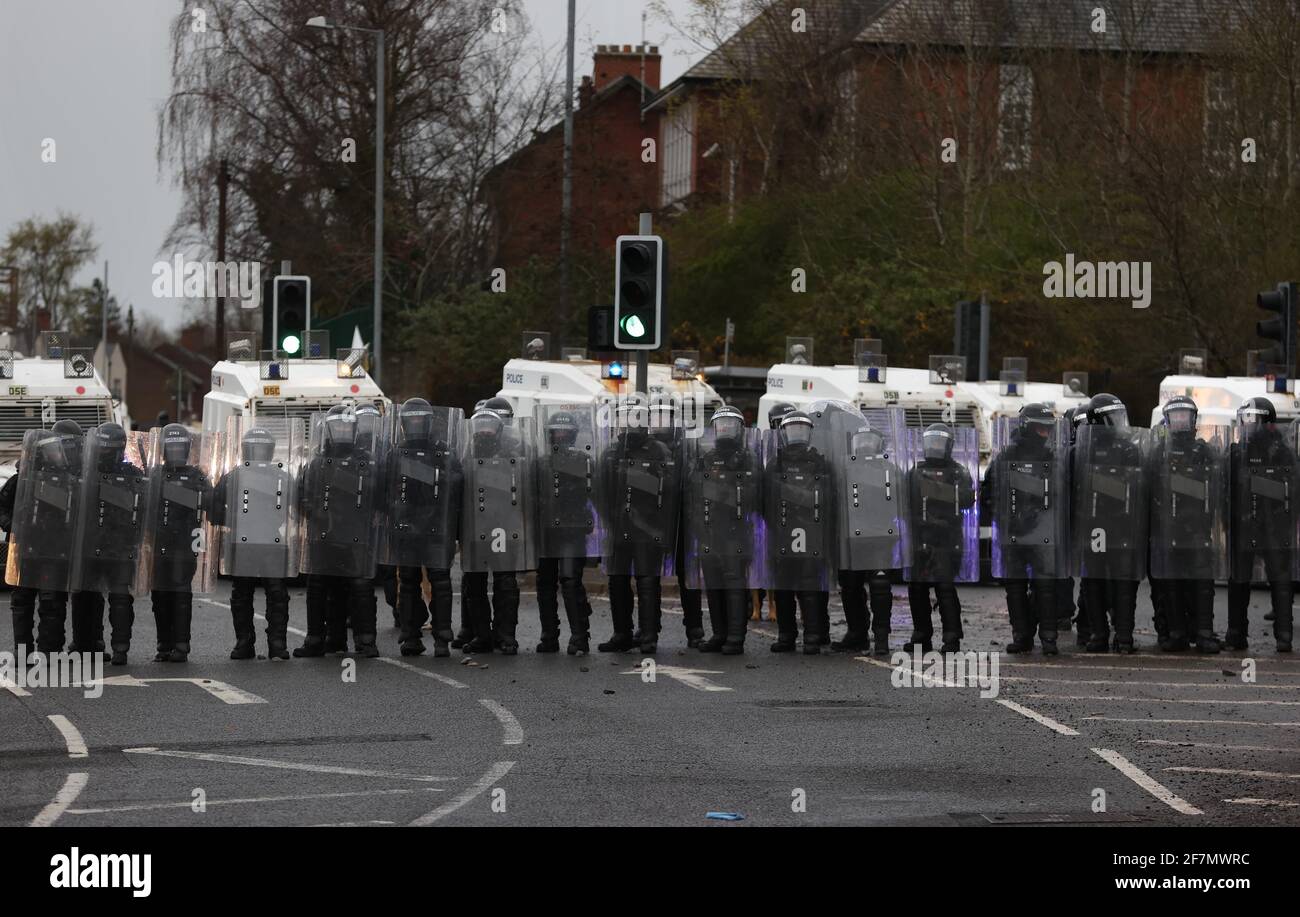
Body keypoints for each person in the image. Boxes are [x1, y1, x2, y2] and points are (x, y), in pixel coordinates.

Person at [295, 405, 382, 658]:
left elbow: (376, 497)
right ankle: (322, 639)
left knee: (359, 586)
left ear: (355, 430)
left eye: (347, 427)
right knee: (320, 585)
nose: (343, 431)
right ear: (329, 431)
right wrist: (314, 512)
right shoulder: (317, 464)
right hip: (324, 534)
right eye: (338, 427)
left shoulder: (366, 463)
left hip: (356, 534)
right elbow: (304, 494)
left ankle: (366, 641)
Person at [598, 396, 681, 655]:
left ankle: (648, 635)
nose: (630, 423)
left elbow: (669, 490)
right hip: (618, 526)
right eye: (625, 417)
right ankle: (621, 633)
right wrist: (610, 520)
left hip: (649, 528)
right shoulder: (612, 451)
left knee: (647, 581)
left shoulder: (658, 451)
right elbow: (600, 492)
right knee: (617, 581)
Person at [379, 399, 463, 658]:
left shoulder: (444, 452)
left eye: (420, 419)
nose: (415, 424)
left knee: (441, 582)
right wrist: (392, 515)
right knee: (408, 583)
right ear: (404, 423)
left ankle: (441, 636)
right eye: (411, 420)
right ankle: (411, 635)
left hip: (438, 527)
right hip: (407, 529)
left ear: (428, 421)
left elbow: (458, 490)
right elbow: (382, 491)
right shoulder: (395, 454)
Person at [984, 404, 1066, 655]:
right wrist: (1007, 518)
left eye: (1048, 428)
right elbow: (990, 494)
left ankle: (1048, 637)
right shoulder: (1006, 457)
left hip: (1043, 531)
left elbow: (1061, 495)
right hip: (1014, 531)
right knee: (1016, 587)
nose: (1045, 433)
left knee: (1045, 587)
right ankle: (1022, 635)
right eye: (1040, 428)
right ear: (1027, 427)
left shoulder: (1052, 459)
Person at [1147, 396, 1224, 654]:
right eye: (1176, 416)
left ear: (1194, 420)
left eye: (1185, 416)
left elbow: (1217, 488)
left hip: (1200, 529)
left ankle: (1203, 633)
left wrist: (1210, 519)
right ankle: (1177, 632)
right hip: (1170, 529)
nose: (1181, 421)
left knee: (1203, 584)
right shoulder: (1160, 452)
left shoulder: (1203, 451)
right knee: (1172, 584)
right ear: (1168, 421)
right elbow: (1150, 490)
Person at [213, 424, 297, 660]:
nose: (259, 453)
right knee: (259, 594)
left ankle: (265, 644)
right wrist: (234, 521)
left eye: (262, 449)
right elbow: (215, 506)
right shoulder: (239, 476)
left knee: (261, 594)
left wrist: (232, 522)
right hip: (256, 541)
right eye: (255, 449)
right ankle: (259, 643)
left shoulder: (239, 476)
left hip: (258, 541)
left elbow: (298, 509)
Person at [829, 408, 907, 656]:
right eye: (859, 441)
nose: (864, 445)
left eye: (869, 441)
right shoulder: (844, 469)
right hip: (852, 534)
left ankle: (881, 636)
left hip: (881, 535)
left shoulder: (890, 469)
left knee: (880, 586)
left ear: (879, 444)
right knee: (850, 585)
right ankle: (857, 633)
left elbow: (902, 503)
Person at [69, 423, 148, 666]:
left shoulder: (88, 472)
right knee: (111, 598)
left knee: (93, 597)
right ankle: (110, 648)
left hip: (101, 544)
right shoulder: (132, 474)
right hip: (113, 545)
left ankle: (92, 646)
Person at [1074, 394, 1148, 653]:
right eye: (1113, 418)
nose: (1119, 423)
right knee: (1093, 581)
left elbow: (1142, 488)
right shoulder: (1081, 452)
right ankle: (1098, 634)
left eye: (1120, 417)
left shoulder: (1130, 450)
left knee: (1124, 582)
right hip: (1093, 527)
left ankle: (1124, 636)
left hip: (1123, 525)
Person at [686, 405, 761, 655]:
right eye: (722, 425)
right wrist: (699, 527)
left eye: (731, 425)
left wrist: (725, 489)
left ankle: (736, 636)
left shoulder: (747, 458)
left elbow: (753, 495)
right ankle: (719, 633)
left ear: (740, 429)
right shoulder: (706, 458)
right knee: (714, 583)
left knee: (734, 583)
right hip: (709, 531)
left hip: (736, 530)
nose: (726, 429)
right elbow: (694, 495)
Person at [459, 406, 533, 654]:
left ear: (499, 430)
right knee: (474, 583)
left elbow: (523, 492)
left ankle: (506, 636)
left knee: (505, 583)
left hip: (504, 526)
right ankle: (482, 635)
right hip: (474, 527)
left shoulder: (512, 456)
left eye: (489, 428)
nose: (484, 432)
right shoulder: (465, 455)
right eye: (480, 428)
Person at [1226, 397, 1295, 652]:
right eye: (1244, 419)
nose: (1246, 424)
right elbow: (1227, 489)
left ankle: (1284, 635)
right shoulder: (1237, 451)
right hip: (1245, 522)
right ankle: (1236, 633)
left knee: (1280, 578)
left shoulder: (1282, 451)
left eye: (1252, 419)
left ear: (1267, 422)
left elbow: (1290, 489)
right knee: (1238, 578)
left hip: (1274, 524)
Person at [763, 410, 834, 654]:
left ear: (810, 433)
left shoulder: (819, 462)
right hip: (784, 532)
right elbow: (765, 502)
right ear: (782, 433)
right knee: (783, 588)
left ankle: (812, 636)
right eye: (792, 430)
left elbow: (829, 499)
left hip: (811, 532)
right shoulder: (776, 463)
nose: (796, 435)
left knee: (809, 587)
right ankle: (787, 636)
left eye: (801, 430)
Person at [144, 424, 215, 663]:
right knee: (159, 596)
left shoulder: (196, 475)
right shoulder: (155, 474)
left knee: (181, 593)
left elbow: (210, 503)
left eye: (178, 446)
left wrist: (178, 493)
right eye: (170, 446)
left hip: (185, 542)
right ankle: (163, 644)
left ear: (186, 448)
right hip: (158, 542)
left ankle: (181, 645)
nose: (174, 451)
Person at [904, 423, 976, 654]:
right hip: (920, 535)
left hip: (947, 538)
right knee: (917, 588)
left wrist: (934, 490)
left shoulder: (958, 472)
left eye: (939, 442)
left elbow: (967, 499)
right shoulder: (915, 471)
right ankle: (921, 635)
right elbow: (905, 501)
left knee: (945, 588)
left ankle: (952, 637)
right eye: (931, 442)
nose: (935, 447)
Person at [534, 406, 597, 655]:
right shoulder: (540, 463)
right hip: (547, 529)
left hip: (572, 528)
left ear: (572, 435)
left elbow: (593, 493)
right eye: (555, 432)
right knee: (544, 583)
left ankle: (580, 637)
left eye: (564, 432)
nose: (560, 436)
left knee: (571, 581)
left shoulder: (583, 460)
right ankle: (549, 635)